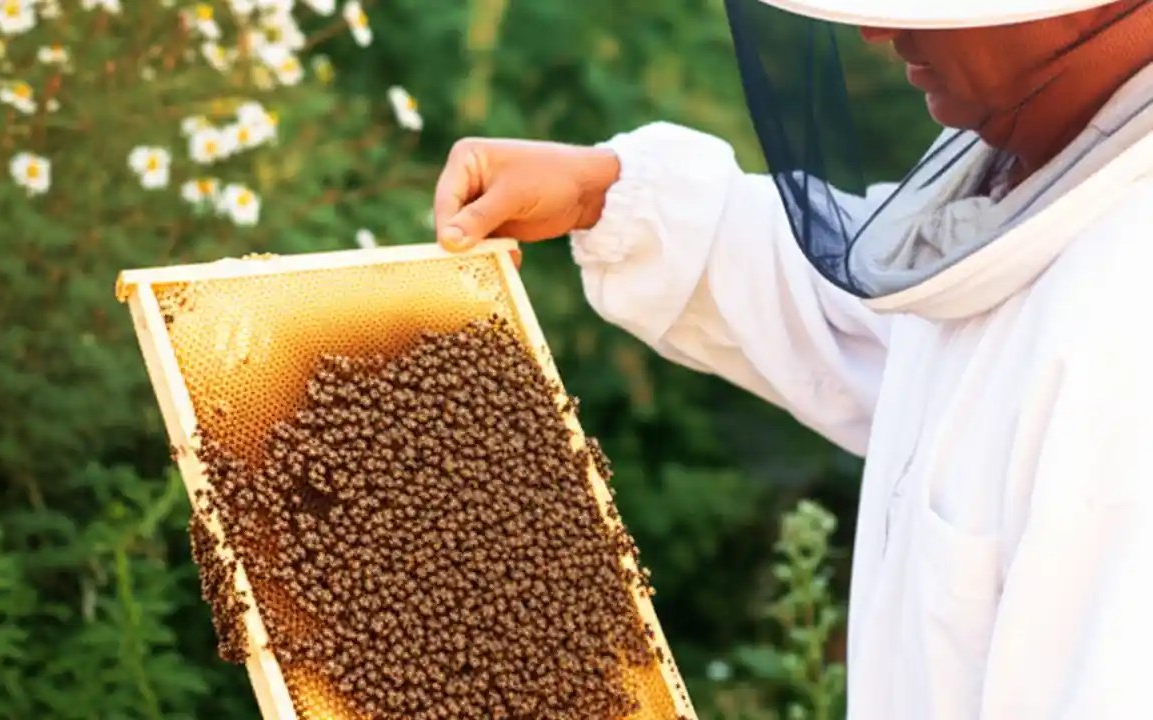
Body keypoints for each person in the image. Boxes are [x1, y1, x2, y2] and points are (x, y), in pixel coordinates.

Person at [432, 0, 1153, 718]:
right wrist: (607, 196)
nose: (874, 29)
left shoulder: (1125, 336)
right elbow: (902, 328)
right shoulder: (1045, 156)